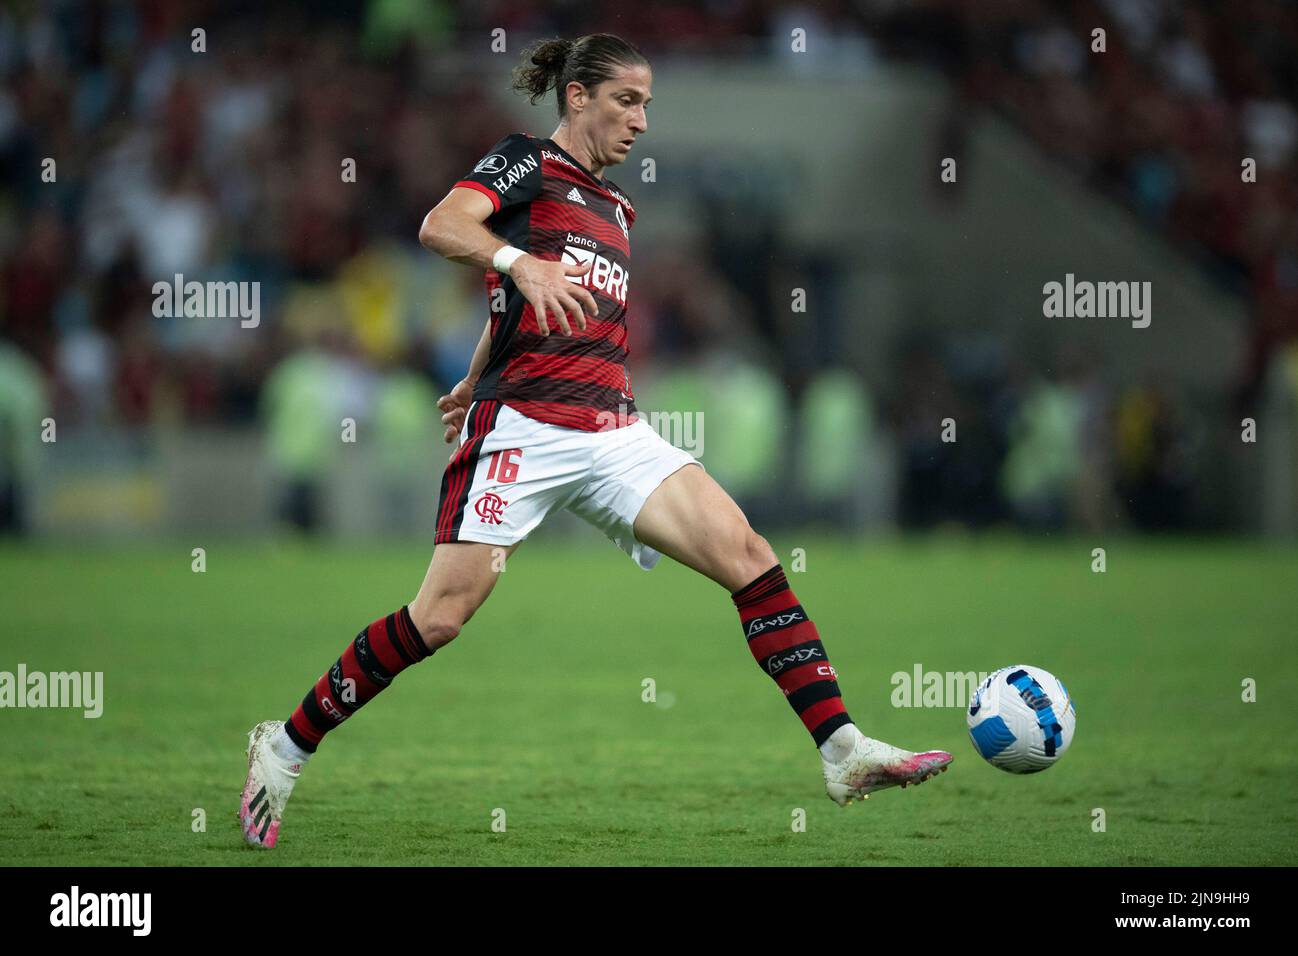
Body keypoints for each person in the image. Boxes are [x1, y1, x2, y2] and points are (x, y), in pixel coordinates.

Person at [240, 33, 949, 849]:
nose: (642, 120)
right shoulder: (525, 164)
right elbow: (444, 224)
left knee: (747, 552)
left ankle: (843, 750)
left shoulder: (615, 206)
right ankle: (286, 745)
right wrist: (515, 267)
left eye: (648, 103)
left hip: (612, 428)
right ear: (577, 96)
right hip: (525, 429)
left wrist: (473, 368)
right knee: (439, 618)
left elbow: (524, 306)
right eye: (627, 100)